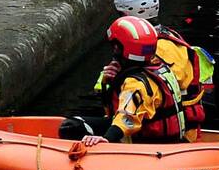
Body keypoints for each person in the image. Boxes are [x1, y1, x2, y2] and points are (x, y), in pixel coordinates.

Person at [94, 0, 214, 136]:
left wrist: (115, 80)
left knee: (74, 127)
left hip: (156, 130)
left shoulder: (148, 49)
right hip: (167, 124)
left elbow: (149, 93)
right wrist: (111, 80)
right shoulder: (172, 38)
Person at [60, 17, 188, 145]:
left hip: (146, 144)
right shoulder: (161, 68)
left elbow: (127, 117)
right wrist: (111, 82)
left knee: (71, 127)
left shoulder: (135, 83)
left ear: (119, 48)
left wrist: (107, 138)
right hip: (167, 139)